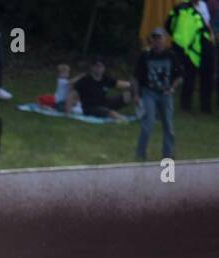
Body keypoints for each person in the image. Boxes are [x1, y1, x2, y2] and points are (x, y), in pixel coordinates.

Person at [135, 27, 184, 161]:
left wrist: (172, 89)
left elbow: (179, 75)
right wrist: (136, 95)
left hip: (166, 93)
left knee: (168, 124)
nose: (157, 41)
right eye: (154, 38)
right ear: (151, 40)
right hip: (149, 92)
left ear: (165, 40)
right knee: (148, 123)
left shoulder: (171, 56)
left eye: (159, 38)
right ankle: (140, 153)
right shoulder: (145, 56)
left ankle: (168, 154)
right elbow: (136, 77)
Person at [167, 1, 214, 112]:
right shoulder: (182, 8)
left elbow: (206, 23)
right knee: (189, 77)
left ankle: (205, 107)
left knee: (207, 77)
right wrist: (181, 43)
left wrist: (210, 35)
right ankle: (186, 106)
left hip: (204, 46)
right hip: (188, 49)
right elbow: (170, 26)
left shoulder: (202, 5)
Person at [66, 58, 132, 120]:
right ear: (92, 67)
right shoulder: (84, 80)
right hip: (90, 107)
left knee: (129, 94)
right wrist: (68, 113)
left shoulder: (105, 79)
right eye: (97, 66)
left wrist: (135, 85)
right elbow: (71, 95)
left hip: (104, 104)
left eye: (102, 66)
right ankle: (123, 119)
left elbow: (121, 83)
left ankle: (140, 113)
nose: (99, 68)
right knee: (110, 113)